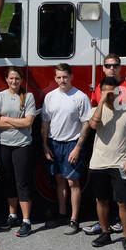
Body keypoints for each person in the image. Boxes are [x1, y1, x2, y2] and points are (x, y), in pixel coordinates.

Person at [86, 76, 126, 250]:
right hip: (98, 164)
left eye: (113, 92)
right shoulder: (95, 109)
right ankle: (105, 232)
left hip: (120, 164)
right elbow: (94, 125)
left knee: (123, 202)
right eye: (106, 92)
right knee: (101, 200)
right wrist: (102, 101)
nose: (111, 95)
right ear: (100, 92)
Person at [42, 63, 92, 234]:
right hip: (54, 143)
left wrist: (78, 148)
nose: (62, 80)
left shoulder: (80, 97)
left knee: (73, 182)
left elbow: (86, 124)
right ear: (55, 78)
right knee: (59, 180)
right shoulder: (50, 96)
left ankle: (74, 219)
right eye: (59, 77)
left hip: (72, 143)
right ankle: (62, 214)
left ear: (71, 77)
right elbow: (45, 123)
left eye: (65, 77)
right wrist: (45, 145)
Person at [0, 67, 38, 236]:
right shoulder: (0, 96)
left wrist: (6, 119)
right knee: (8, 181)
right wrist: (17, 121)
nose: (14, 81)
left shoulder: (28, 97)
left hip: (22, 145)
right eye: (11, 78)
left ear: (21, 80)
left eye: (17, 78)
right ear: (6, 79)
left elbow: (28, 123)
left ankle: (26, 221)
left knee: (22, 182)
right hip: (3, 144)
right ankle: (12, 216)